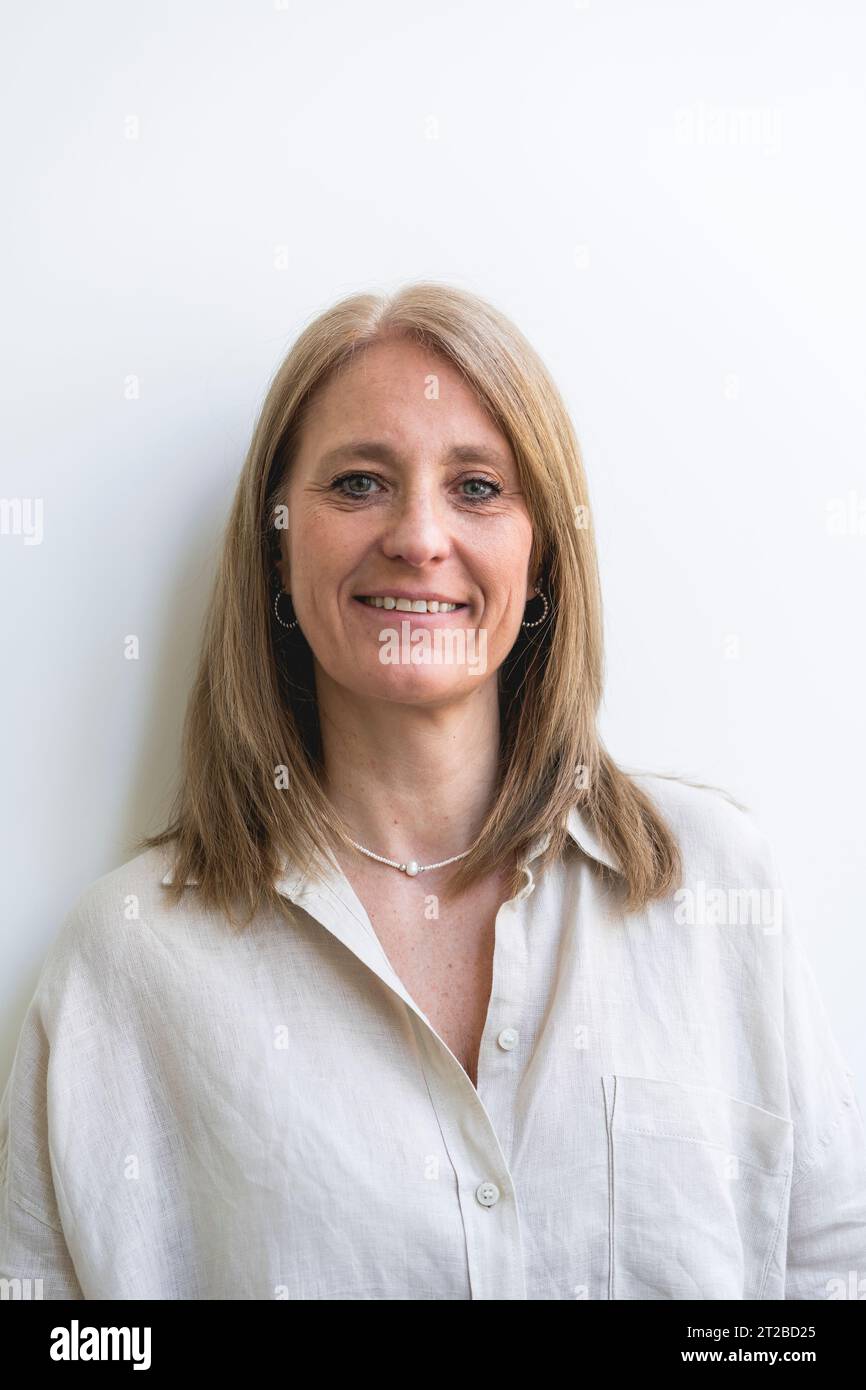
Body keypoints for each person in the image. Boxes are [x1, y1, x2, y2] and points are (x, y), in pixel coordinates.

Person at [1, 282, 864, 1300]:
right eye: (359, 482)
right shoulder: (126, 969)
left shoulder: (715, 886)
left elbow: (824, 1280)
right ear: (278, 549)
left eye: (477, 488)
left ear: (539, 556)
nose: (417, 535)